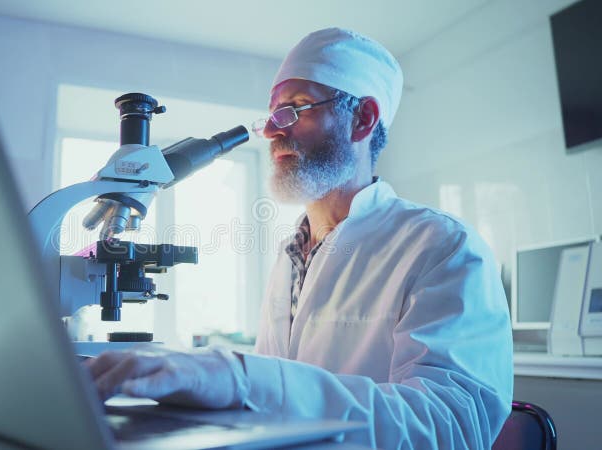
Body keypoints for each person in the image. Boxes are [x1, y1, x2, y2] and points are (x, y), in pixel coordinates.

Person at [86, 28, 513, 449]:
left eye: (296, 108)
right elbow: (269, 396)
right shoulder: (290, 253)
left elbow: (451, 428)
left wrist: (240, 376)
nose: (272, 131)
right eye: (272, 114)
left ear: (362, 119)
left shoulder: (442, 248)